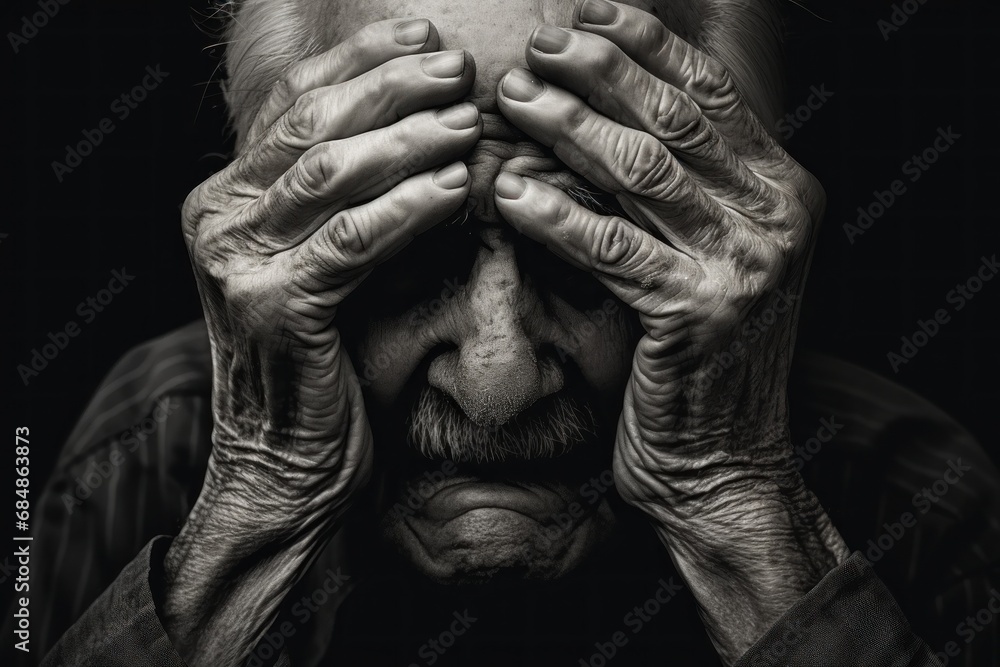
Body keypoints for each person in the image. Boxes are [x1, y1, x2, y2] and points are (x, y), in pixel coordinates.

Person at [23, 0, 1000, 665]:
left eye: (591, 258)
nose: (497, 382)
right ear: (274, 239)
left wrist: (738, 508)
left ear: (732, 242)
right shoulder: (148, 452)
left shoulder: (908, 485)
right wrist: (257, 506)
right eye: (406, 260)